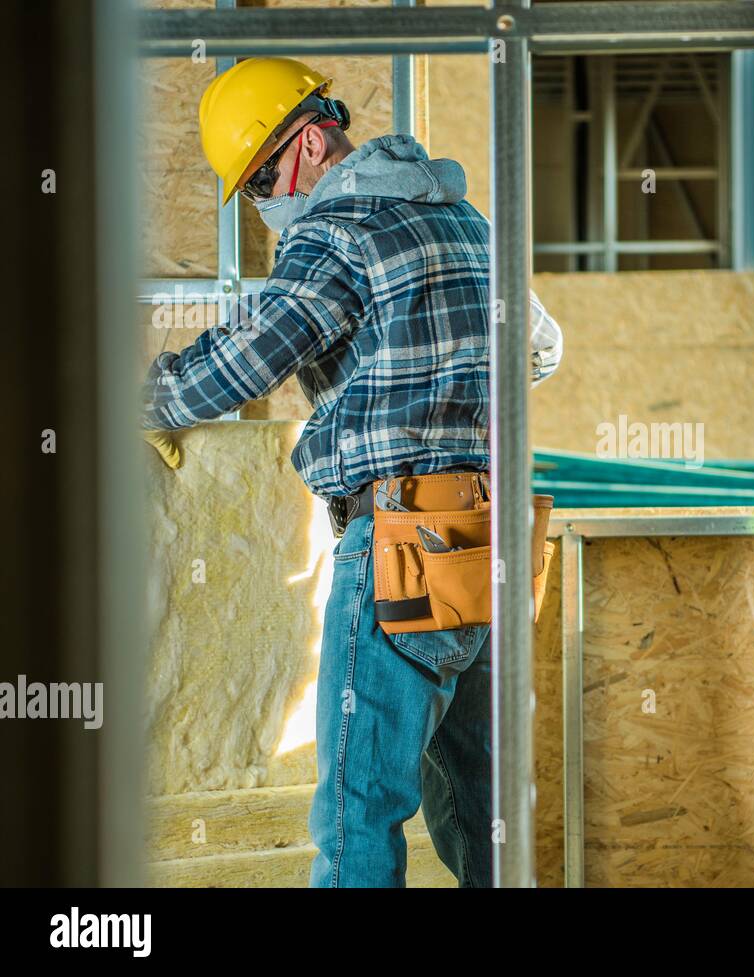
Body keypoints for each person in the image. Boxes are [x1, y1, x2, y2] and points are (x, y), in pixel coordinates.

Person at [139, 57, 562, 887]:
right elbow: (541, 348)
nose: (264, 206)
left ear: (299, 148)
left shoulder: (337, 233)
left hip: (401, 550)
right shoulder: (466, 221)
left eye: (259, 182)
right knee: (481, 808)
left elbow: (233, 369)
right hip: (491, 547)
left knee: (355, 813)